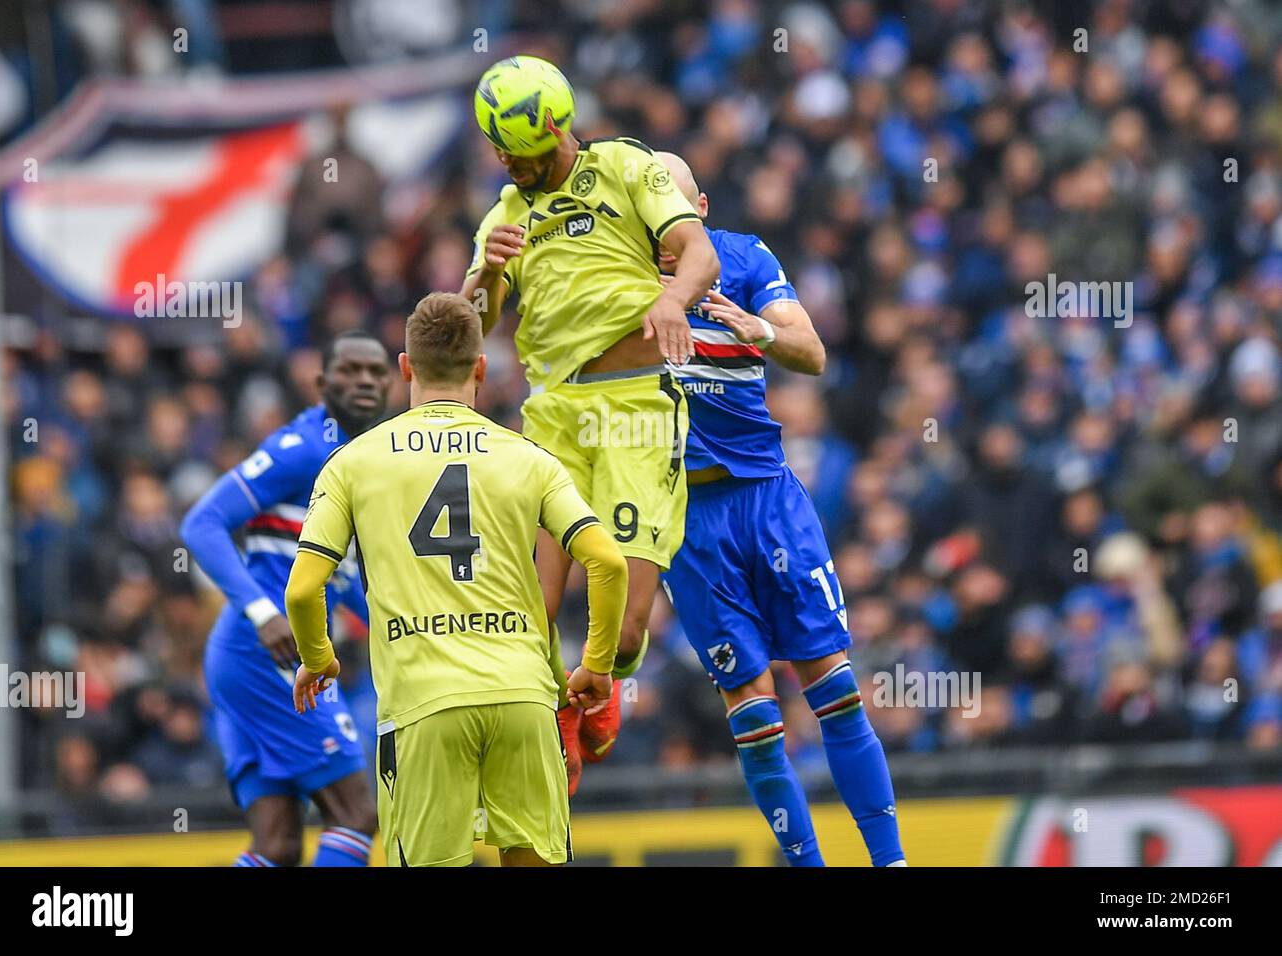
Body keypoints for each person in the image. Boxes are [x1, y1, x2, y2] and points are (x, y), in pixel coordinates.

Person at [285, 292, 628, 866]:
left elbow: (301, 588)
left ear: (404, 368)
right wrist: (598, 662)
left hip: (424, 706)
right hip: (523, 696)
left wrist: (319, 660)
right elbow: (608, 562)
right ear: (480, 368)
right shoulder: (530, 458)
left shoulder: (352, 462)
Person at [459, 55, 720, 790]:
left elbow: (697, 252)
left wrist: (674, 300)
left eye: (528, 154)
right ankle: (548, 719)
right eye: (503, 153)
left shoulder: (625, 168)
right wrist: (483, 275)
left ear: (559, 130)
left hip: (639, 405)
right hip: (553, 415)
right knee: (536, 599)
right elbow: (466, 334)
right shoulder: (504, 215)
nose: (514, 166)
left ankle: (600, 685)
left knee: (628, 629)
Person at [656, 153, 905, 867]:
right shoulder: (618, 275)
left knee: (830, 683)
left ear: (700, 208)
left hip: (766, 498)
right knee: (752, 709)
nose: (666, 228)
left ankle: (890, 861)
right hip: (689, 518)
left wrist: (756, 330)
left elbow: (813, 352)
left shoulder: (743, 257)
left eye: (676, 211)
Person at [179, 331, 391, 867]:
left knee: (278, 845)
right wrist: (263, 611)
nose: (364, 381)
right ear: (321, 383)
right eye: (350, 370)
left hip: (260, 656)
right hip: (267, 652)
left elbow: (343, 582)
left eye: (375, 371)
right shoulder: (303, 449)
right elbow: (202, 523)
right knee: (355, 813)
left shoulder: (363, 456)